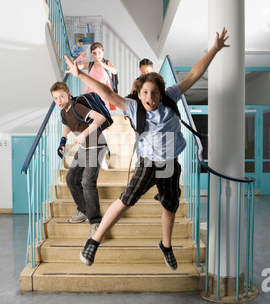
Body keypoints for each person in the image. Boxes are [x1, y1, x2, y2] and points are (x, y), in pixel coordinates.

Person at [64, 27, 229, 270]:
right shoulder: (132, 107)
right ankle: (94, 240)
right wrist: (80, 75)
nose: (149, 97)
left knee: (171, 204)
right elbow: (107, 92)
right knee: (127, 199)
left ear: (162, 93)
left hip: (170, 160)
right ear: (138, 94)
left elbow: (194, 74)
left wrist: (214, 49)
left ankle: (166, 245)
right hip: (149, 161)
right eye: (145, 93)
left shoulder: (171, 96)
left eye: (154, 93)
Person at [50, 81, 108, 238]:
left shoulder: (77, 107)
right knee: (71, 178)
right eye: (56, 98)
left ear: (68, 95)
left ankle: (95, 222)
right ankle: (83, 210)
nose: (59, 101)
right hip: (85, 148)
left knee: (87, 182)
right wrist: (63, 141)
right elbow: (68, 124)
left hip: (96, 145)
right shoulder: (64, 112)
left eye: (62, 96)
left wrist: (83, 134)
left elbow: (100, 118)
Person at [78, 42, 118, 111]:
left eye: (99, 52)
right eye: (94, 53)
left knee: (103, 115)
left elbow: (114, 71)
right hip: (92, 95)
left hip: (104, 95)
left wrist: (102, 65)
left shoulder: (107, 63)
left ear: (103, 52)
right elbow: (72, 67)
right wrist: (78, 59)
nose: (97, 55)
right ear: (91, 54)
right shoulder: (90, 64)